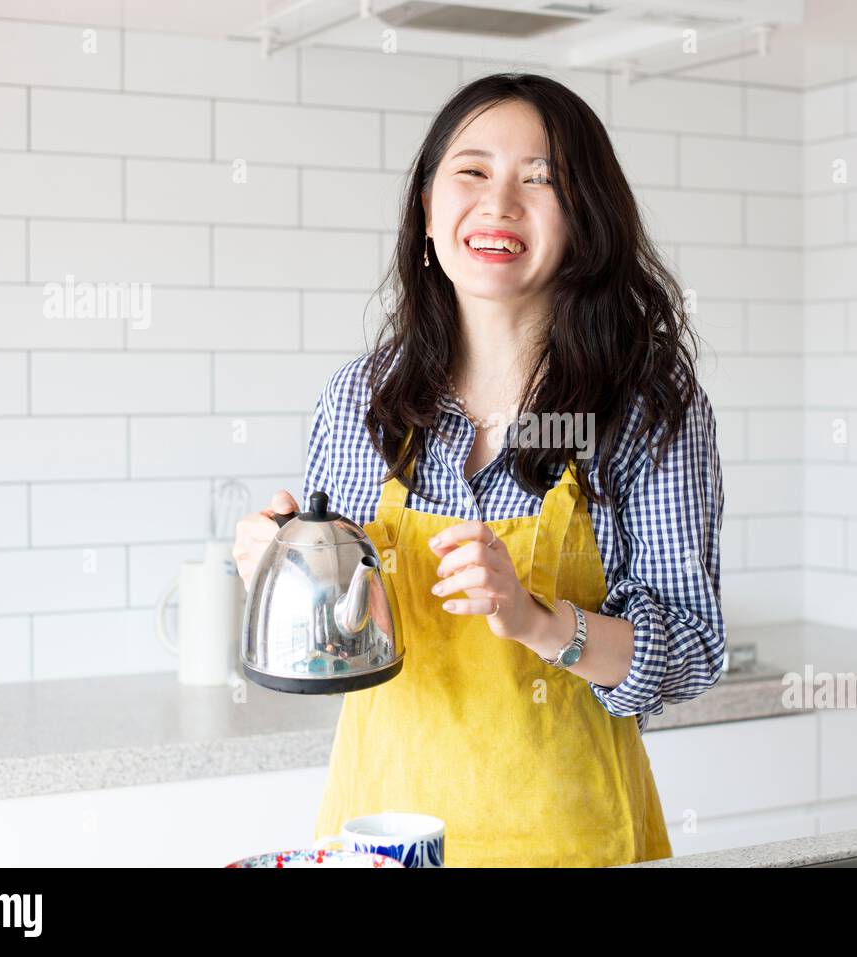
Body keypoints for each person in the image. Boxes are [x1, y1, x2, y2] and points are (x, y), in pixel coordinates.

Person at [232, 72, 725, 867]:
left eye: (541, 179)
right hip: (379, 838)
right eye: (472, 171)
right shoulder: (360, 399)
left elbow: (693, 650)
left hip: (572, 840)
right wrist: (283, 570)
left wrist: (537, 621)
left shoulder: (646, 406)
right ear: (428, 209)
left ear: (586, 224)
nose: (500, 203)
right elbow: (347, 642)